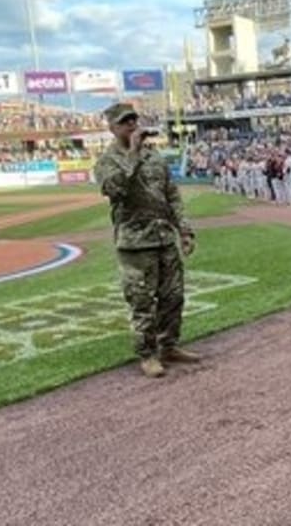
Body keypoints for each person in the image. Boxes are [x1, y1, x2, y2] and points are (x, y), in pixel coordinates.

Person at [94, 102, 200, 378]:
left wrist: (185, 231)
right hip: (135, 243)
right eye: (124, 122)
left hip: (164, 237)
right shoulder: (108, 161)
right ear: (112, 128)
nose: (131, 125)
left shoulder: (155, 158)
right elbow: (115, 189)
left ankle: (169, 345)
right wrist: (132, 153)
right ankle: (148, 354)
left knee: (173, 297)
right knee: (142, 302)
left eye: (133, 120)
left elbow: (172, 195)